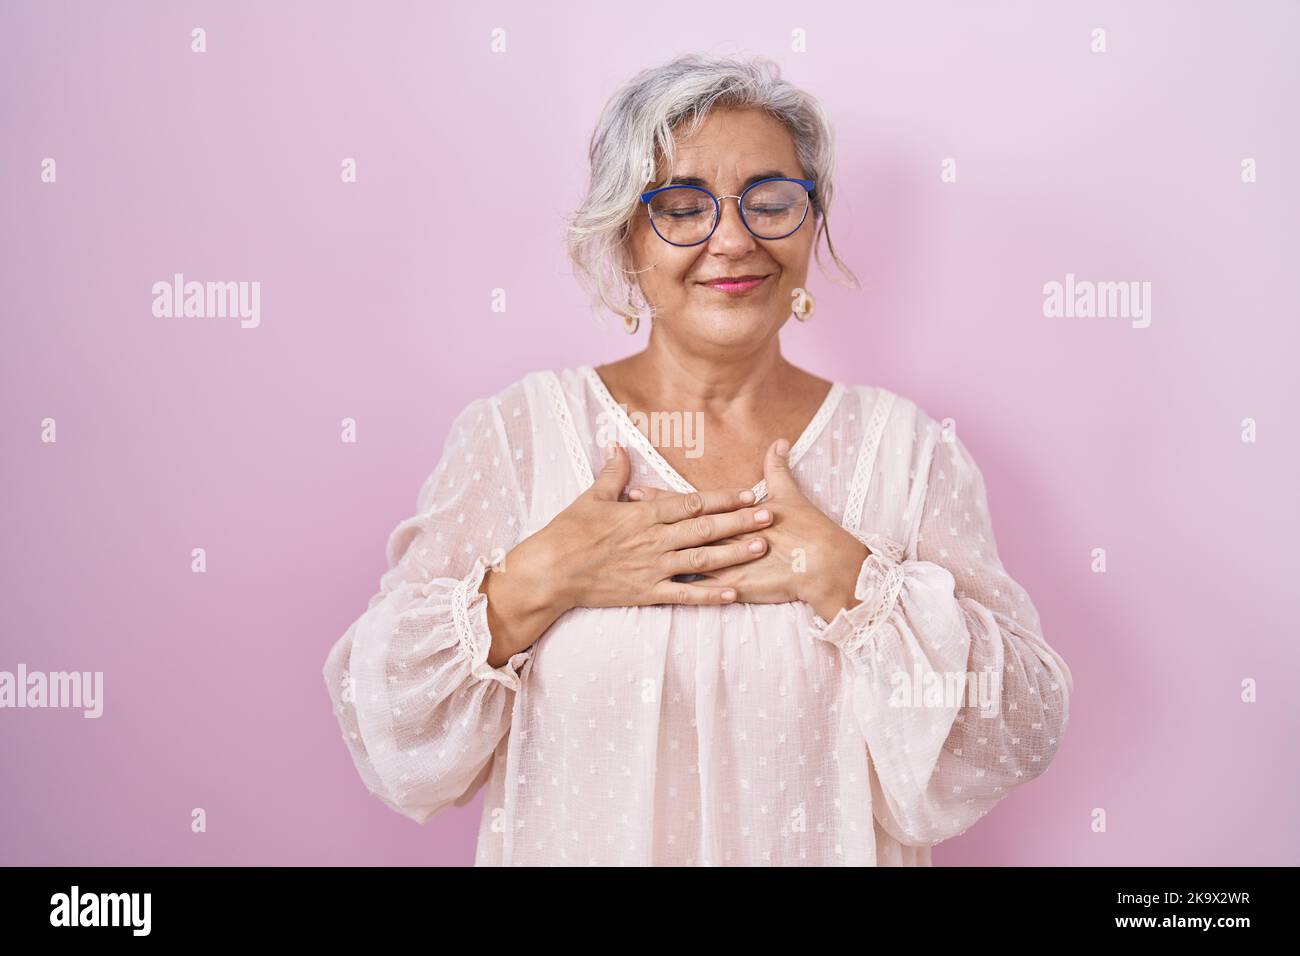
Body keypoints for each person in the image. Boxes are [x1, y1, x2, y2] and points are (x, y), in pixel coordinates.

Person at [323, 52, 1072, 866]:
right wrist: (539, 580)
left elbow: (1018, 729)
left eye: (771, 202)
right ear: (624, 236)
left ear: (811, 222)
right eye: (683, 207)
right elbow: (389, 724)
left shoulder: (906, 454)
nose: (734, 240)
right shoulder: (518, 438)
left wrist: (850, 579)